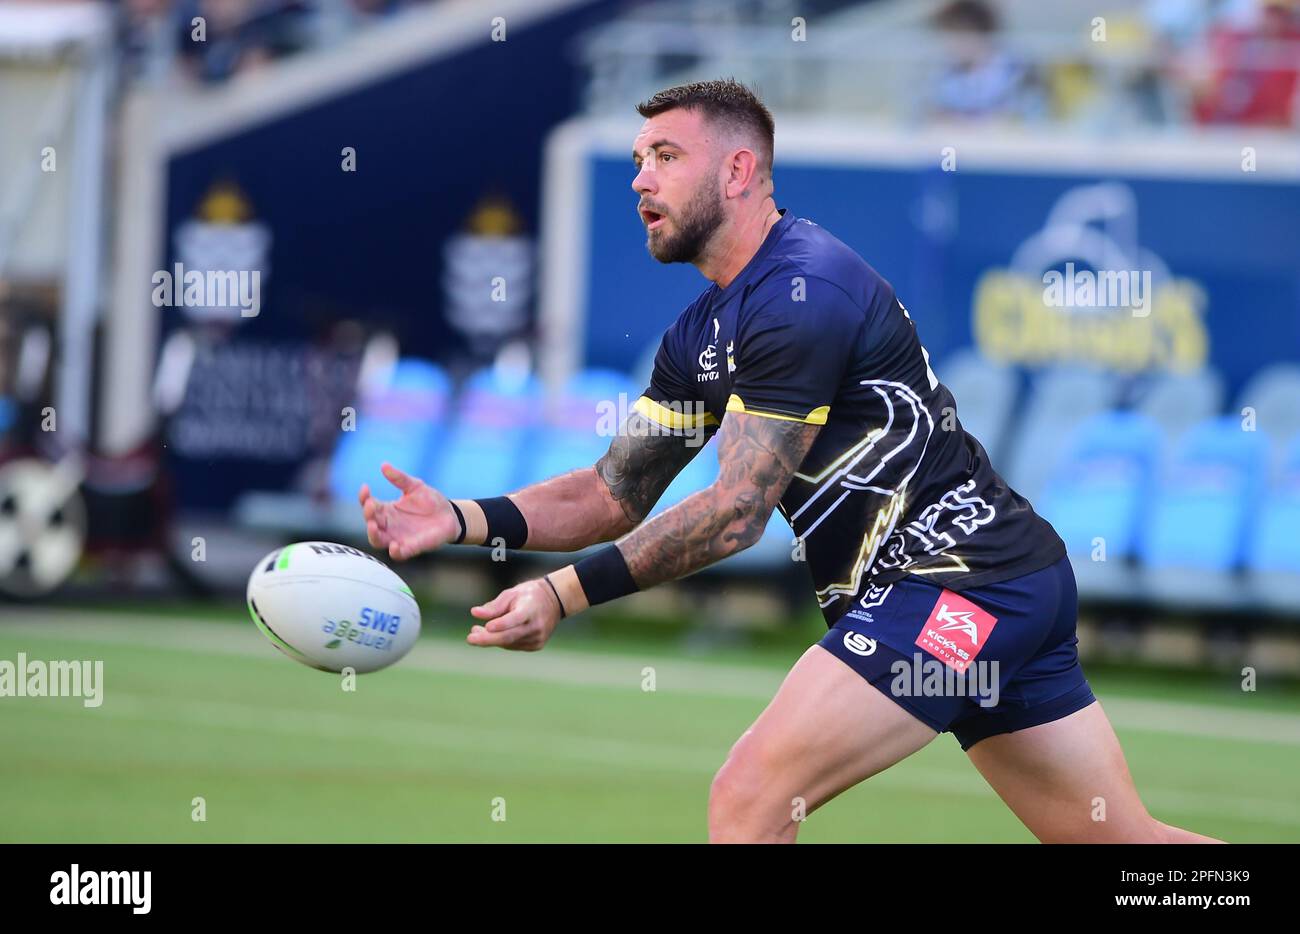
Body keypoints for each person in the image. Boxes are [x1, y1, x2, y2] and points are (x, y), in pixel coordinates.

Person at [359, 79, 1222, 844]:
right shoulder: (700, 332)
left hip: (958, 583)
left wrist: (564, 591)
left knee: (750, 798)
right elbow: (609, 493)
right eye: (636, 159)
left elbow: (737, 511)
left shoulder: (802, 290)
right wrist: (465, 518)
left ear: (739, 172)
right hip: (1001, 583)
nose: (640, 180)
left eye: (665, 155)